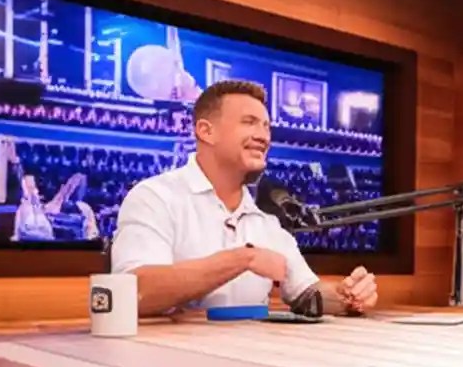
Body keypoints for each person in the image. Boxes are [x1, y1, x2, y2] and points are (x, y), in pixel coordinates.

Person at [110, 79, 378, 318]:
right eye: (249, 122)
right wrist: (243, 259)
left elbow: (307, 293)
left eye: (266, 127)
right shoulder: (155, 197)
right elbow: (133, 293)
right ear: (206, 131)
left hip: (252, 361)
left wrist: (347, 297)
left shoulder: (267, 223)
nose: (263, 136)